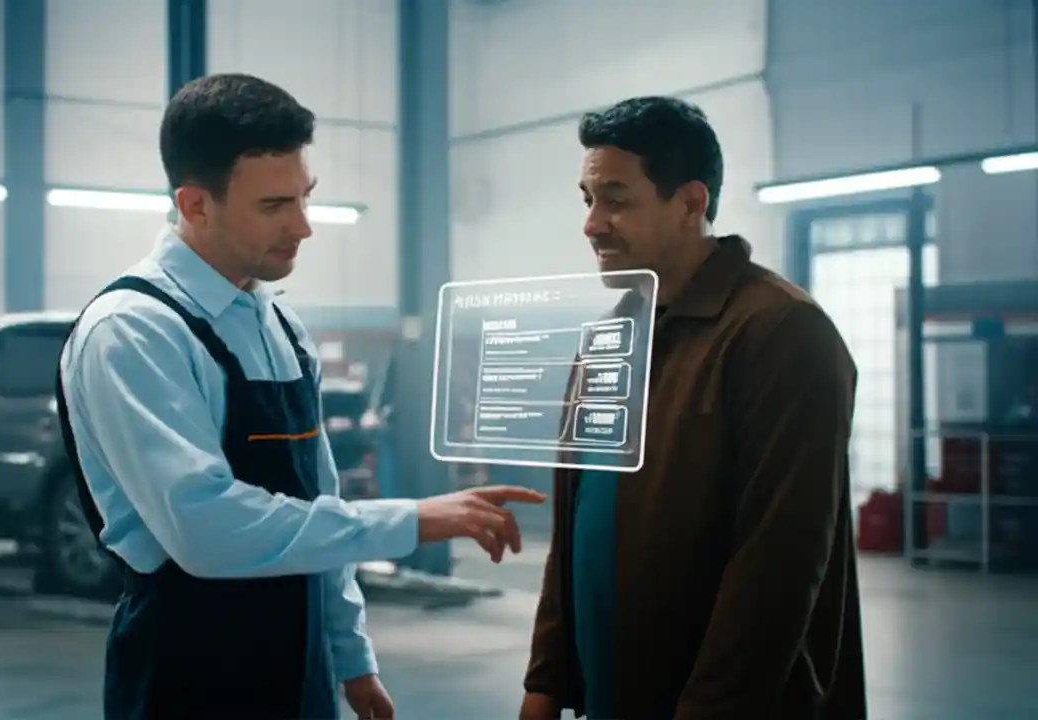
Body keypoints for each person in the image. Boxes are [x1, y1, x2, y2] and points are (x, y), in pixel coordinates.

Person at [55, 73, 545, 720]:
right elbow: (205, 528)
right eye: (274, 206)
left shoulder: (278, 323)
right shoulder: (135, 331)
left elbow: (319, 504)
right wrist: (413, 519)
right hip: (190, 675)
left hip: (301, 670)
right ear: (196, 205)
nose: (303, 227)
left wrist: (350, 656)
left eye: (305, 197)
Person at [519, 96, 866, 720]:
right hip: (608, 692)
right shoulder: (608, 341)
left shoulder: (781, 333)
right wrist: (545, 682)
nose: (592, 224)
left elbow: (779, 565)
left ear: (690, 204)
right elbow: (574, 529)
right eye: (587, 199)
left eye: (616, 199)